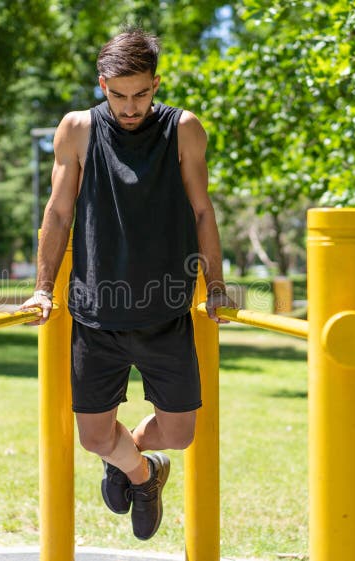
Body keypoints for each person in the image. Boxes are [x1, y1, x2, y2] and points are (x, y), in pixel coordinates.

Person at [19, 27, 235, 541]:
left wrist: (218, 285)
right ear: (102, 85)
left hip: (165, 312)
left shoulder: (183, 129)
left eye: (141, 94)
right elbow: (58, 212)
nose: (130, 106)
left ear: (156, 85)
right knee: (94, 438)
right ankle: (141, 473)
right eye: (118, 94)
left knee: (180, 434)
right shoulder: (77, 129)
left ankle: (136, 461)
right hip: (98, 314)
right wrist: (42, 288)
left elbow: (202, 210)